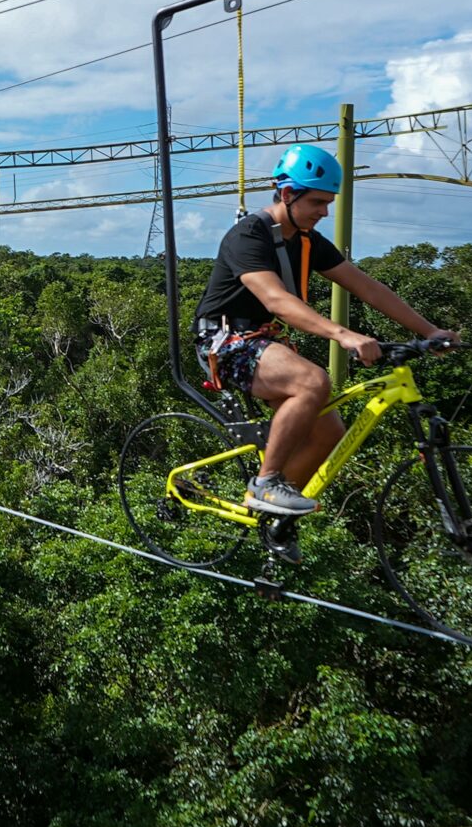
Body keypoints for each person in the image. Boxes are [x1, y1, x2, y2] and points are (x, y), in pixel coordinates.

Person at [193, 145, 455, 558]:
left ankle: (275, 518)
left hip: (263, 341)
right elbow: (276, 300)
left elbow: (366, 286)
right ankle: (266, 483)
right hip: (224, 343)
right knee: (313, 381)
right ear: (286, 194)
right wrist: (343, 334)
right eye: (317, 202)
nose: (324, 212)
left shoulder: (308, 241)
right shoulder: (248, 236)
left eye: (328, 203)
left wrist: (429, 330)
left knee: (329, 432)